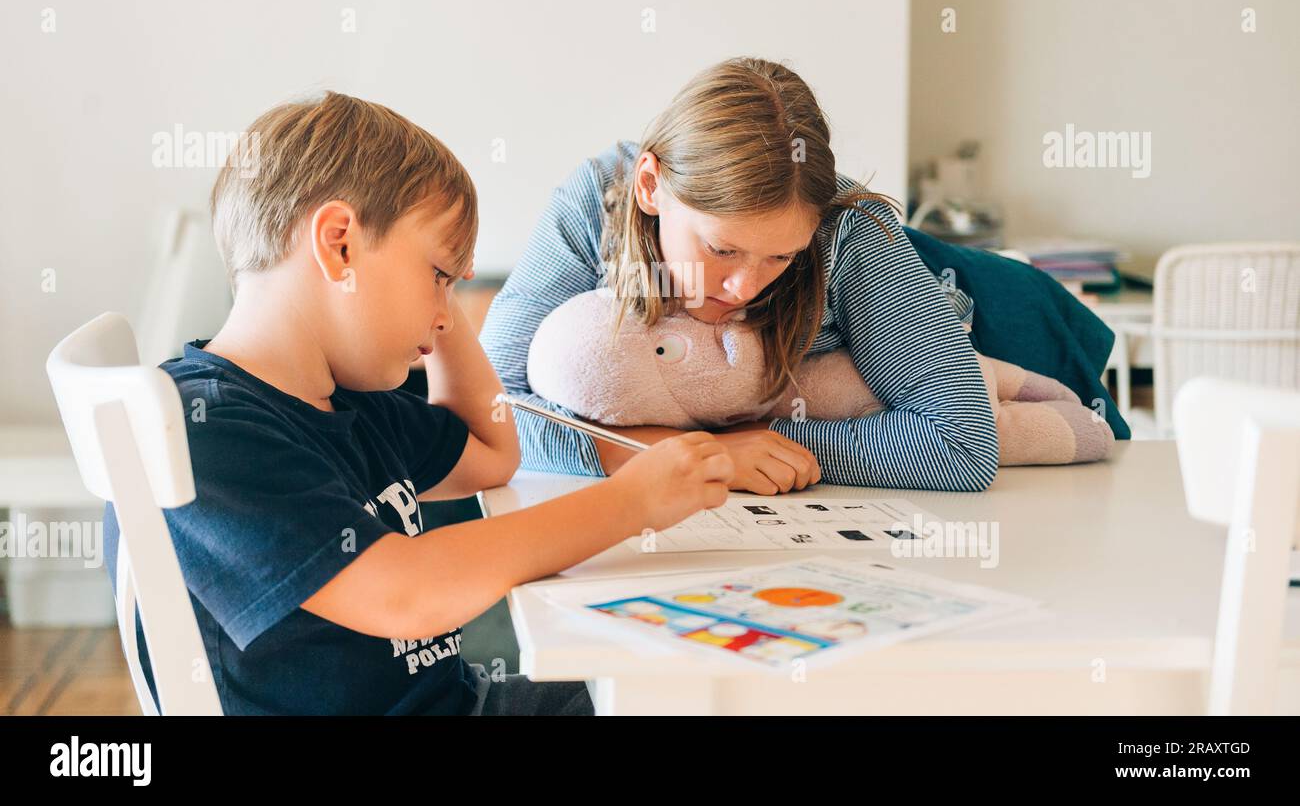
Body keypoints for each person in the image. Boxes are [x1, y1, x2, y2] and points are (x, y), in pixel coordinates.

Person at [102, 91, 733, 715]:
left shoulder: (343, 397)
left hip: (458, 702)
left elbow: (490, 451)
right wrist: (631, 502)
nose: (444, 314)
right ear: (339, 245)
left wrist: (437, 287)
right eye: (439, 277)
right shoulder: (202, 427)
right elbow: (405, 593)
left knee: (684, 691)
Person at [481, 57, 998, 494]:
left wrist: (764, 436)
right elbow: (487, 412)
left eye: (782, 257)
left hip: (1027, 331)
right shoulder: (598, 202)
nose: (746, 288)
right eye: (722, 248)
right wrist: (698, 453)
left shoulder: (850, 235)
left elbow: (964, 443)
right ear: (648, 186)